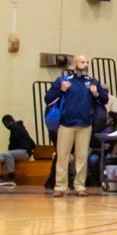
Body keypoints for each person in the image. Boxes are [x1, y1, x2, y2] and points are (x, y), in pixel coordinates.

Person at [45, 57, 103, 197]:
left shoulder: (92, 82)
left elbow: (104, 99)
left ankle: (80, 186)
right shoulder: (63, 80)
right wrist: (61, 90)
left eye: (87, 62)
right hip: (66, 124)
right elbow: (48, 98)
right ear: (74, 64)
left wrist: (96, 93)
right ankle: (60, 186)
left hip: (85, 124)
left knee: (82, 156)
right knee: (63, 156)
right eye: (83, 62)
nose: (86, 64)